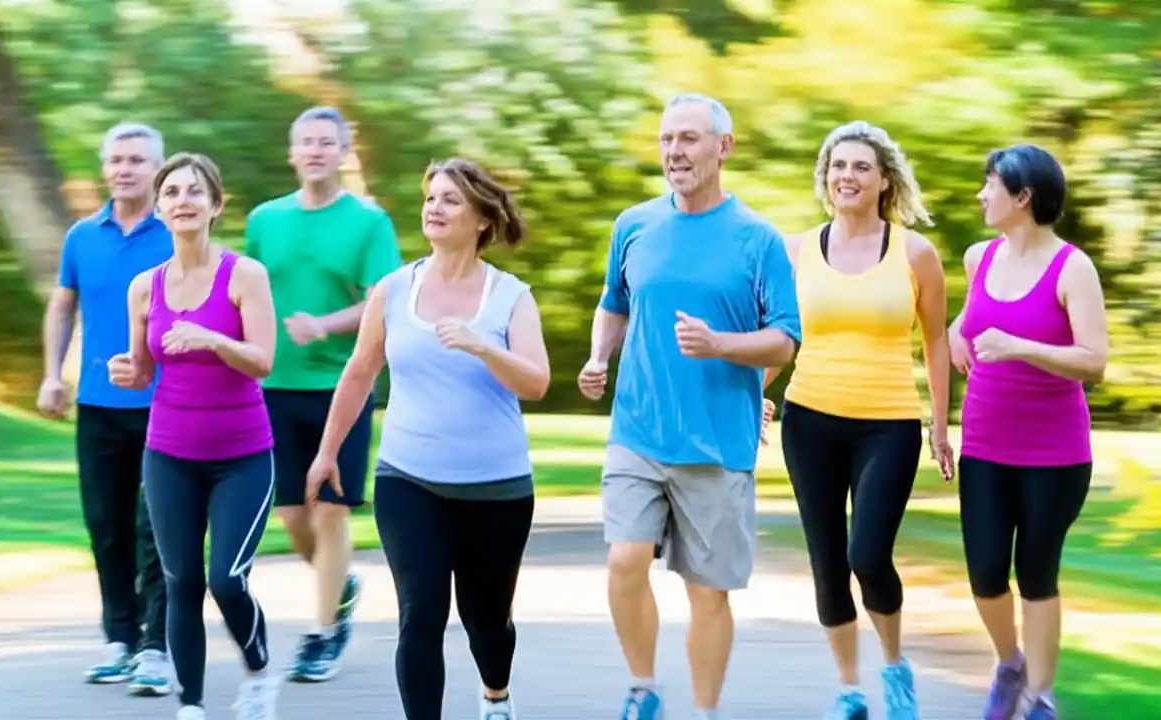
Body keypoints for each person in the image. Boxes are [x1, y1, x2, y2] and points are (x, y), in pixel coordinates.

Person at [577, 93, 802, 720]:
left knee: (707, 596)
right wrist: (600, 357)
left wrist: (721, 344)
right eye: (667, 139)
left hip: (716, 442)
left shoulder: (758, 240)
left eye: (689, 139)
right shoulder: (635, 225)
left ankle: (705, 711)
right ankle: (643, 689)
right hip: (638, 429)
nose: (675, 152)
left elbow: (784, 339)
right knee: (624, 560)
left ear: (723, 147)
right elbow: (615, 302)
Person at [305, 157, 545, 720]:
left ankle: (495, 695)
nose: (434, 209)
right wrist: (327, 452)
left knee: (487, 621)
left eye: (450, 200)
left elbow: (534, 382)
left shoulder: (511, 297)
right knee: (420, 613)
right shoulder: (392, 290)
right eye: (430, 198)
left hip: (497, 487)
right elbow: (360, 373)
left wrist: (482, 345)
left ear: (482, 220)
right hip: (409, 479)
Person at [762, 121, 955, 720]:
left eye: (860, 167)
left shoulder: (915, 253)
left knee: (867, 555)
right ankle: (849, 688)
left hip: (888, 424)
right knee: (827, 561)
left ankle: (894, 666)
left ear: (883, 180)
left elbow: (937, 343)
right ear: (826, 177)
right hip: (810, 419)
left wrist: (941, 427)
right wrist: (750, 392)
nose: (847, 175)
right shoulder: (793, 250)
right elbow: (774, 336)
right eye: (838, 166)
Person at [109, 152, 281, 720]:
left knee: (226, 579)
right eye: (173, 192)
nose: (183, 201)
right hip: (169, 454)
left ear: (216, 205)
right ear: (159, 209)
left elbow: (262, 361)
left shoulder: (244, 275)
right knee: (182, 579)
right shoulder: (144, 287)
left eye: (194, 192)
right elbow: (143, 367)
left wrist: (212, 339)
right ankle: (193, 704)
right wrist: (127, 371)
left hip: (243, 457)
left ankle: (258, 673)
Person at [244, 106, 403, 682]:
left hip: (343, 387)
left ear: (343, 152)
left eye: (326, 142)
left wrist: (325, 324)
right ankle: (341, 586)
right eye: (305, 142)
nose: (315, 151)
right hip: (273, 388)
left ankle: (323, 634)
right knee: (292, 517)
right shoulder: (265, 220)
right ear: (293, 153)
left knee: (331, 513)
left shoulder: (368, 223)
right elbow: (247, 293)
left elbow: (383, 300)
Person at [949, 145, 1107, 720]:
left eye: (990, 185)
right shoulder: (978, 258)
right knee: (986, 571)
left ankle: (1040, 696)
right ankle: (1009, 662)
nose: (981, 195)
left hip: (1055, 452)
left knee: (1037, 571)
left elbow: (1093, 360)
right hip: (986, 444)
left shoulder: (1073, 268)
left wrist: (1019, 349)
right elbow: (971, 319)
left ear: (1023, 197)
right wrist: (952, 333)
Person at [39, 121, 173, 694]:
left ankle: (157, 648)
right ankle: (119, 638)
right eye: (116, 159)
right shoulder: (81, 237)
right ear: (104, 168)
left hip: (166, 404)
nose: (125, 168)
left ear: (156, 169)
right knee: (106, 525)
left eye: (137, 160)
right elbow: (62, 307)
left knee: (158, 526)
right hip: (97, 403)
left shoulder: (176, 234)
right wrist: (51, 375)